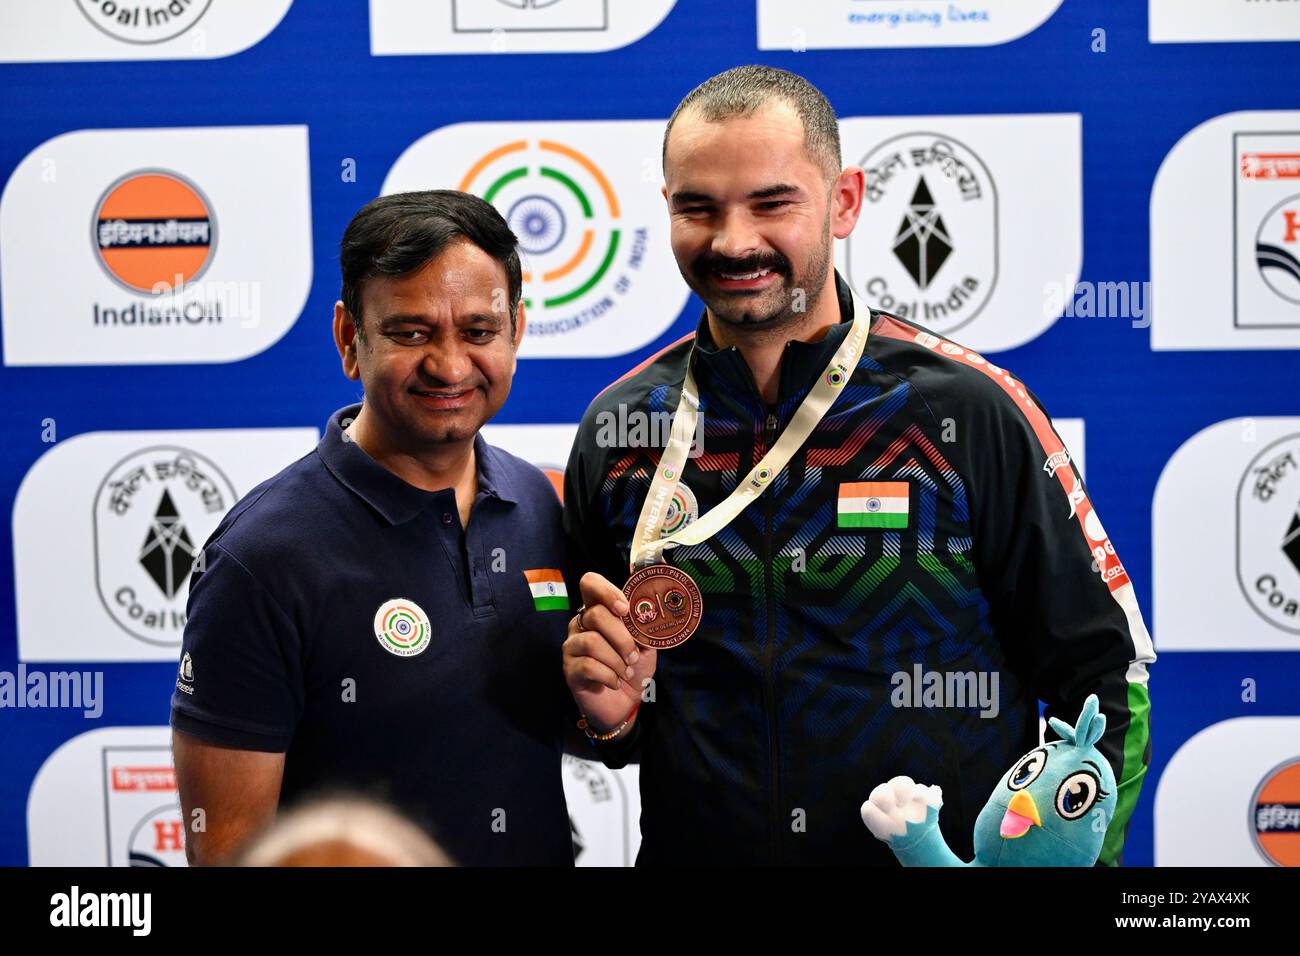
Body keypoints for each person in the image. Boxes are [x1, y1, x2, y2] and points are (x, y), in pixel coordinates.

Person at [561, 65, 1156, 866]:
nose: (734, 241)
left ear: (844, 202)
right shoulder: (622, 429)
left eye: (772, 203)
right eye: (697, 207)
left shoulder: (968, 410)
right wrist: (610, 717)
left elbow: (1107, 678)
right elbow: (607, 713)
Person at [171, 190, 575, 866]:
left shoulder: (538, 500)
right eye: (411, 333)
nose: (449, 365)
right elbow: (230, 851)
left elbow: (560, 734)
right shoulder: (262, 558)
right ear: (349, 339)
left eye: (478, 331)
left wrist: (607, 710)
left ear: (516, 333)